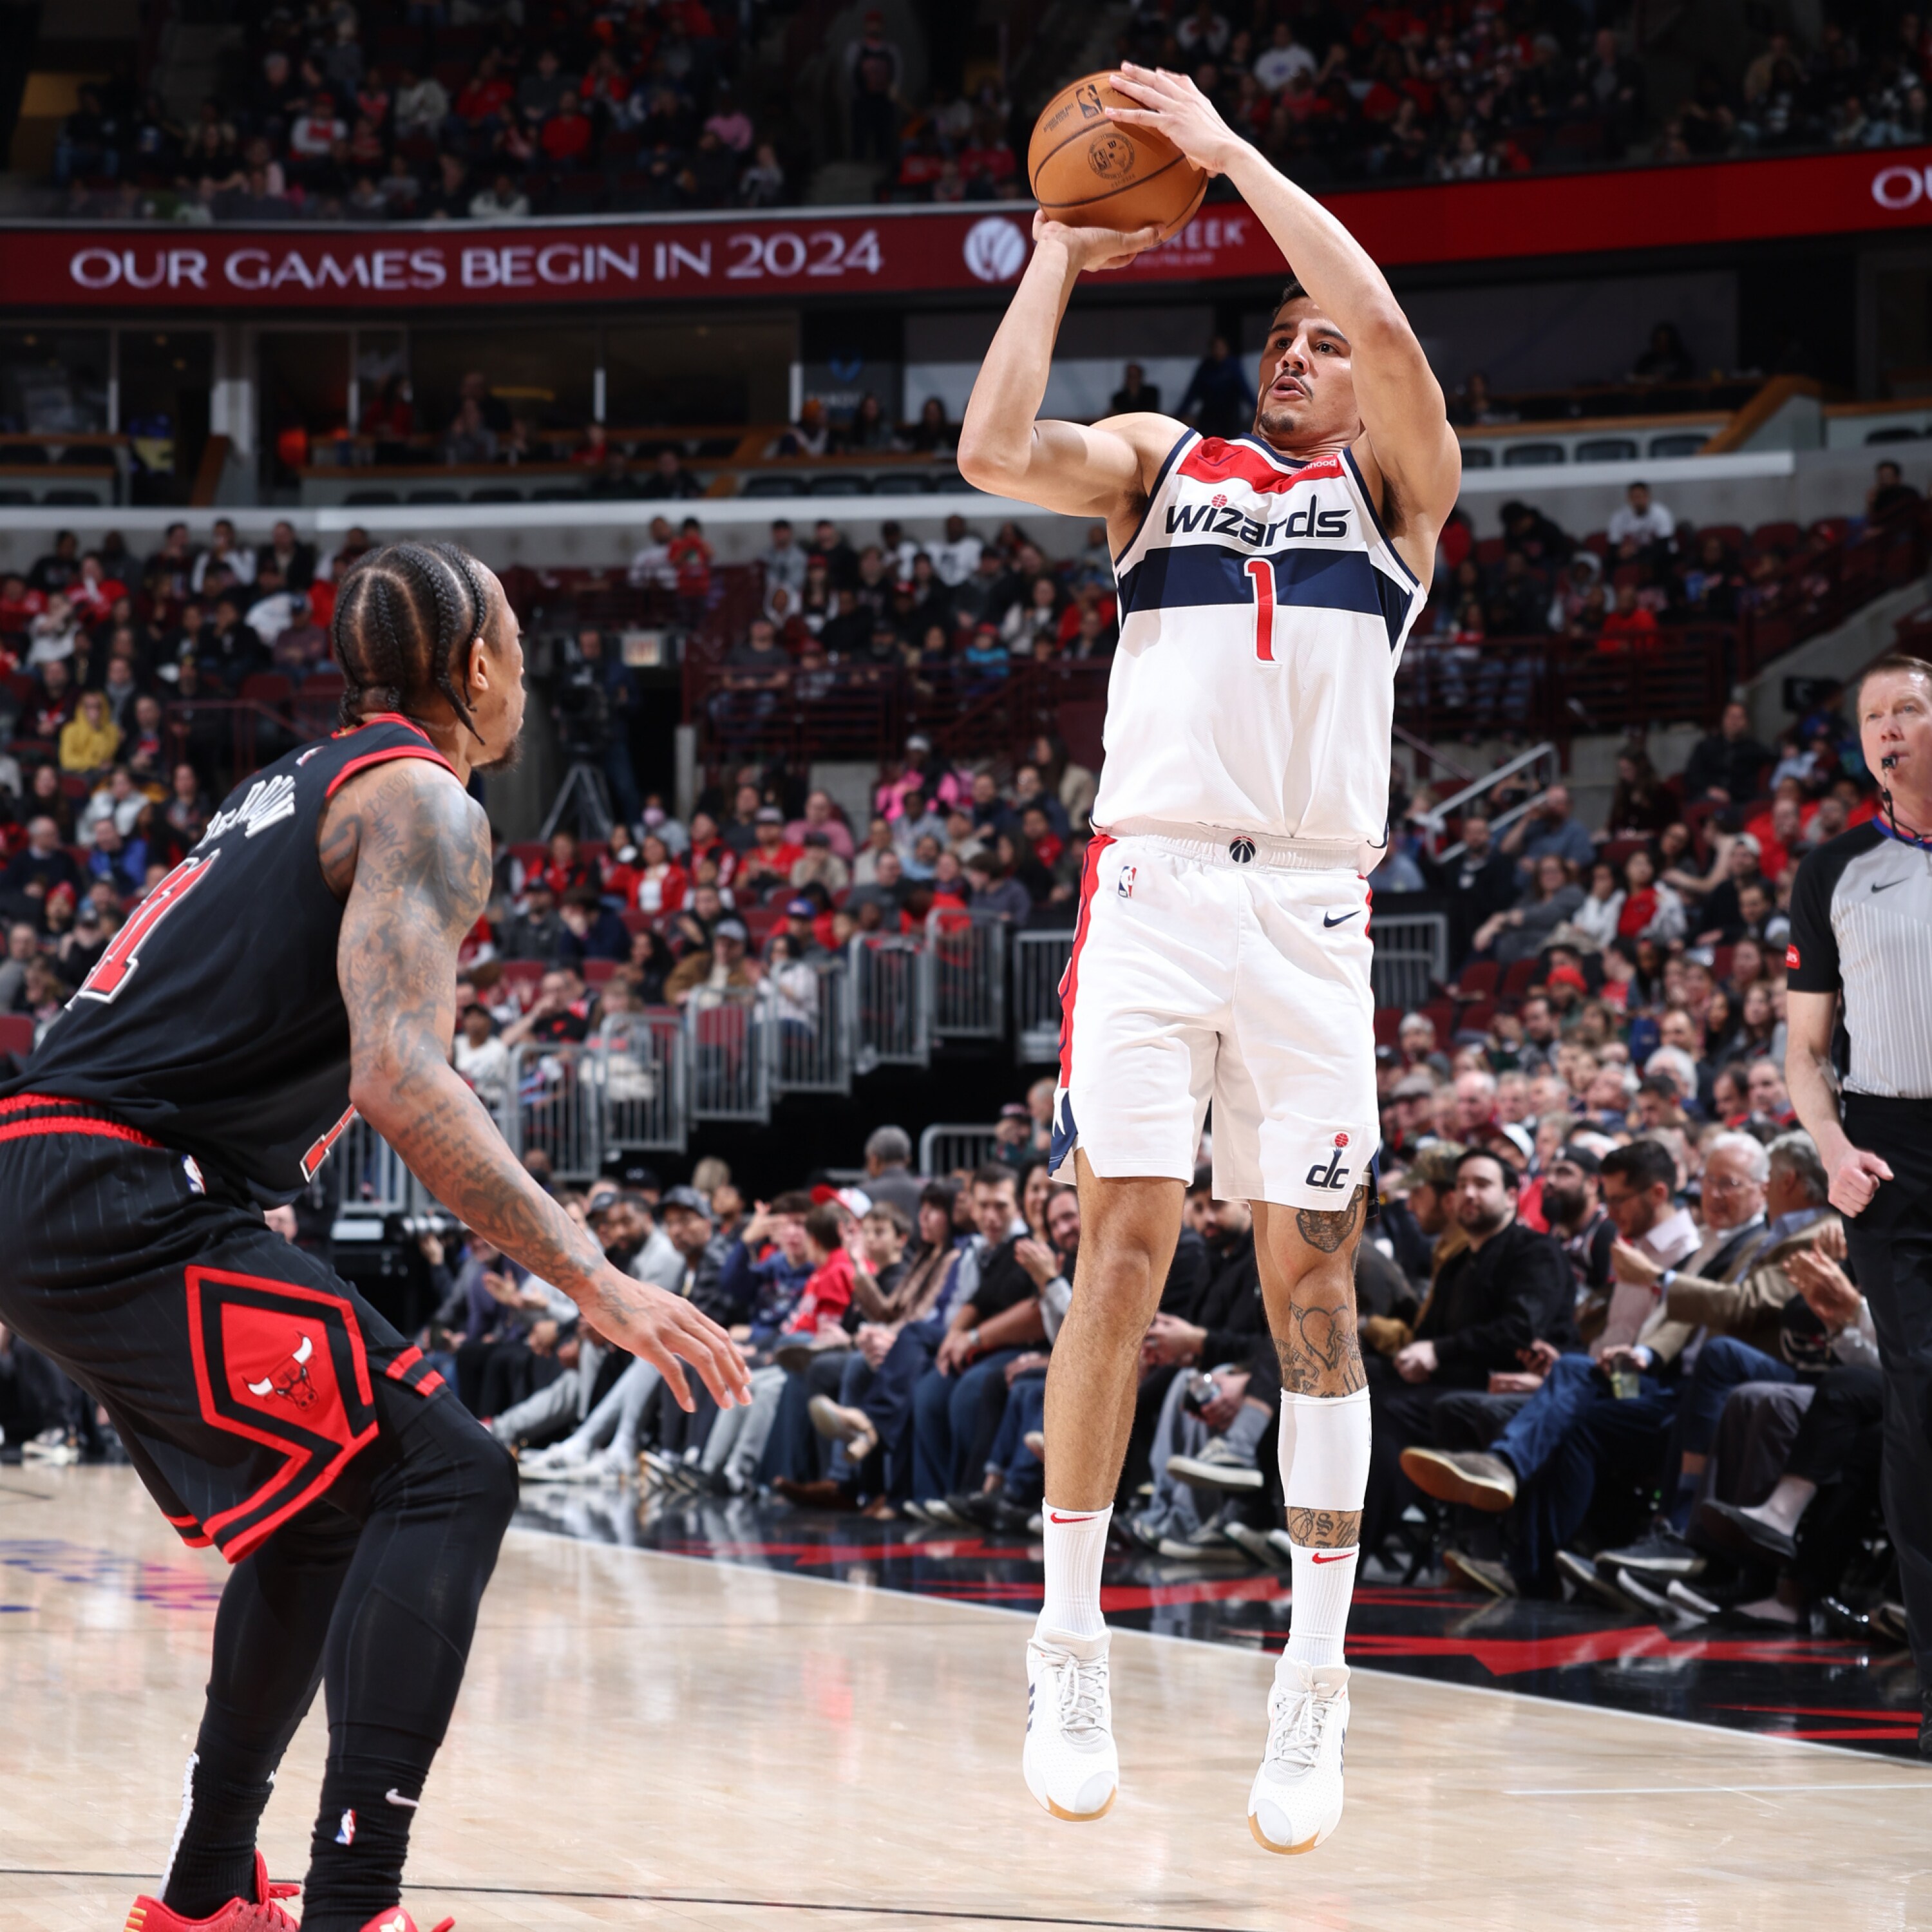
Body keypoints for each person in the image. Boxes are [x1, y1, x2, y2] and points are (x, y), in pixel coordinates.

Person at [0, 540, 750, 1932]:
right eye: (515, 638)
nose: (522, 667)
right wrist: (594, 1279)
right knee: (453, 1473)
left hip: (64, 1176)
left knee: (321, 1513)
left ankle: (206, 1897)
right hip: (116, 1190)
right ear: (475, 664)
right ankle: (358, 1904)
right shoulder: (425, 802)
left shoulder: (296, 782)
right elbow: (400, 1079)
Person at [956, 62, 1458, 1847]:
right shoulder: (1166, 466)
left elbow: (1385, 320)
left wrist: (1234, 155)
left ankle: (1313, 1683)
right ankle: (1068, 1640)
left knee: (1314, 1287)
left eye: (1321, 345)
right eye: (1282, 341)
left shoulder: (1400, 498)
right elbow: (991, 448)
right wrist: (1057, 254)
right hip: (1157, 891)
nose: (1300, 355)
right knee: (1122, 1249)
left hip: (1314, 916)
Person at [1785, 654, 1932, 1752]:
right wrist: (1832, 1149)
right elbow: (1803, 1049)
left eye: (1909, 709)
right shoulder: (1834, 867)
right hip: (1890, 1155)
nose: (1889, 728)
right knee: (1920, 1400)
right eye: (1874, 714)